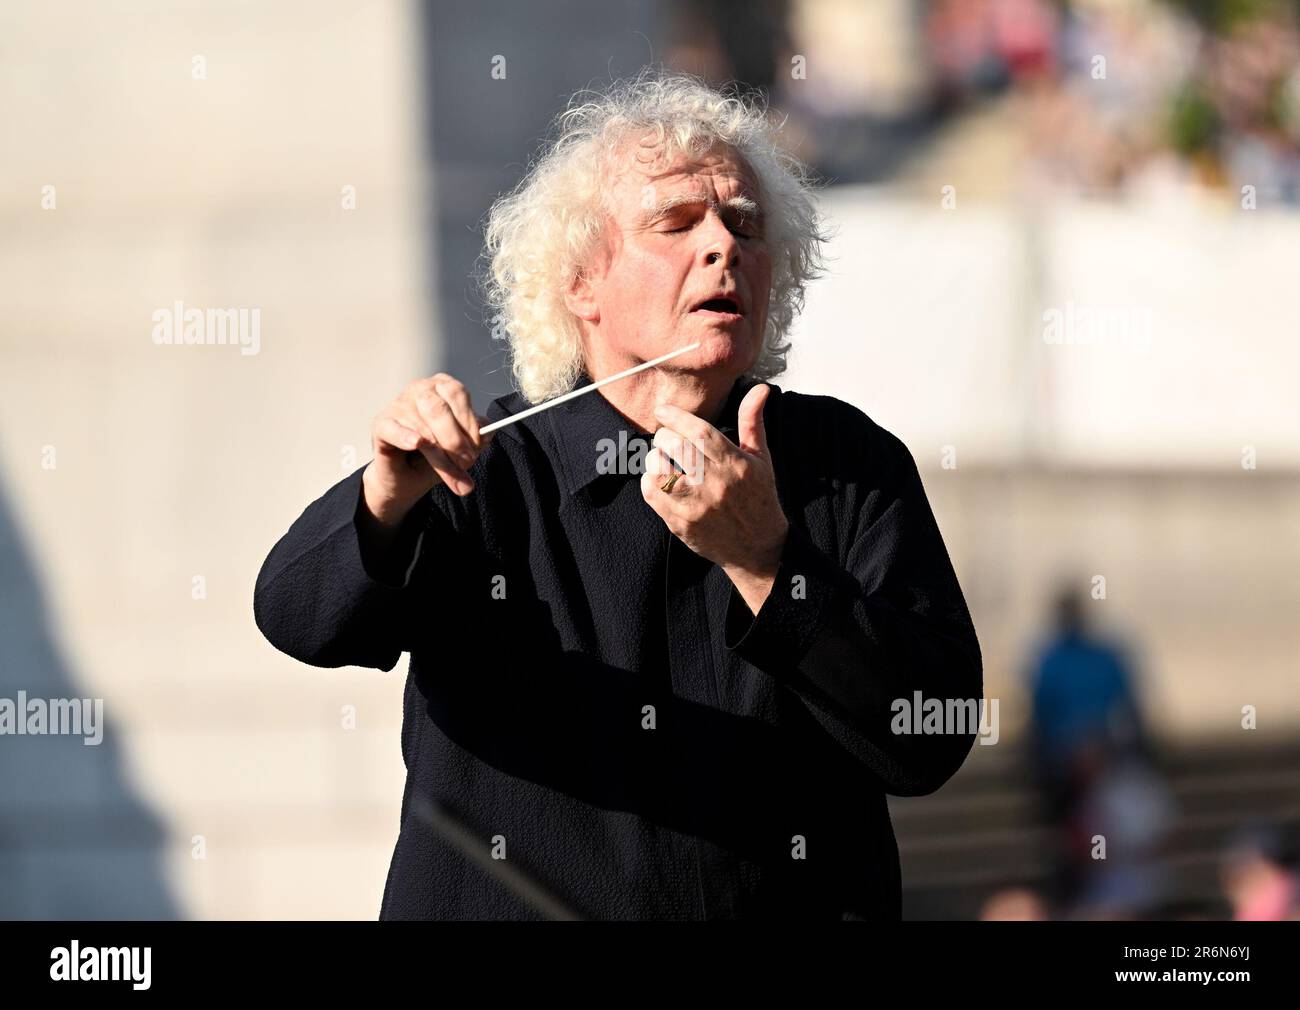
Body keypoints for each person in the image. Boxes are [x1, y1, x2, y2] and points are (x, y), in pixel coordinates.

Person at [254, 71, 982, 920]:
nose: (722, 247)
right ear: (581, 284)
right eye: (676, 223)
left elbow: (928, 734)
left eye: (743, 225)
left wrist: (767, 565)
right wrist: (383, 495)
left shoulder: (847, 464)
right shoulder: (483, 468)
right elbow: (295, 614)